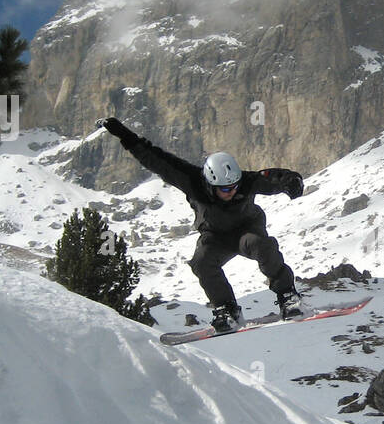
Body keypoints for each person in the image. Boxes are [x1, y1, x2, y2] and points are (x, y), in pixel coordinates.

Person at [98, 117, 305, 332]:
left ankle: (288, 296)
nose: (231, 192)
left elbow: (275, 176)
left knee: (262, 245)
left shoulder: (247, 180)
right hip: (215, 237)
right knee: (201, 262)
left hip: (247, 230)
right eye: (225, 189)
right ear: (210, 182)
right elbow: (156, 159)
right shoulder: (192, 181)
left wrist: (292, 181)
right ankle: (227, 310)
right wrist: (124, 135)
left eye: (234, 187)